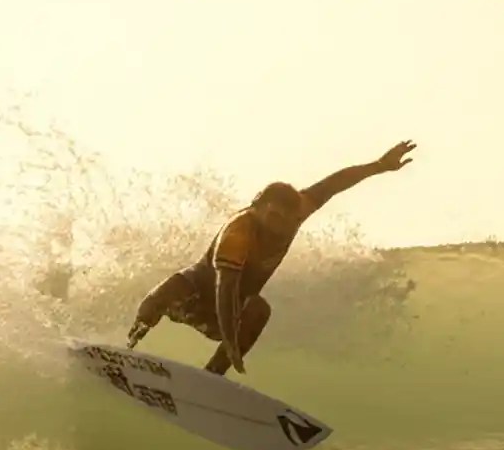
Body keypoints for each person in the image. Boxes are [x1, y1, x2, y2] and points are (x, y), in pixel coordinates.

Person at [125, 139, 416, 376]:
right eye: (272, 215)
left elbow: (334, 184)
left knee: (260, 310)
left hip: (230, 311)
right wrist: (230, 341)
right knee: (163, 295)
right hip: (197, 297)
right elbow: (224, 291)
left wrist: (380, 166)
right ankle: (126, 352)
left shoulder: (297, 210)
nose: (278, 223)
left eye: (285, 218)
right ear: (257, 208)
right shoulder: (239, 232)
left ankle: (212, 377)